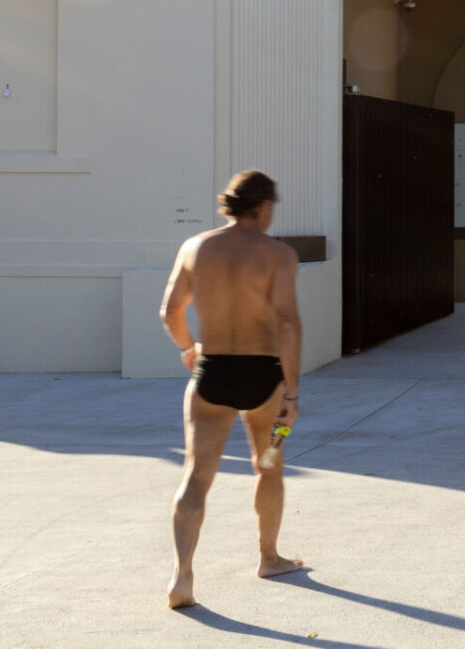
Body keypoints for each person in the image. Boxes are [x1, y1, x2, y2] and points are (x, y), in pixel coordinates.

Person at [160, 168, 305, 609]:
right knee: (268, 466)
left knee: (197, 474)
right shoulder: (278, 254)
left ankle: (182, 577)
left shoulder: (196, 247)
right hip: (264, 380)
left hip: (213, 374)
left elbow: (170, 312)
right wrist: (292, 394)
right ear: (262, 207)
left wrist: (189, 348)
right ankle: (269, 558)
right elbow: (286, 323)